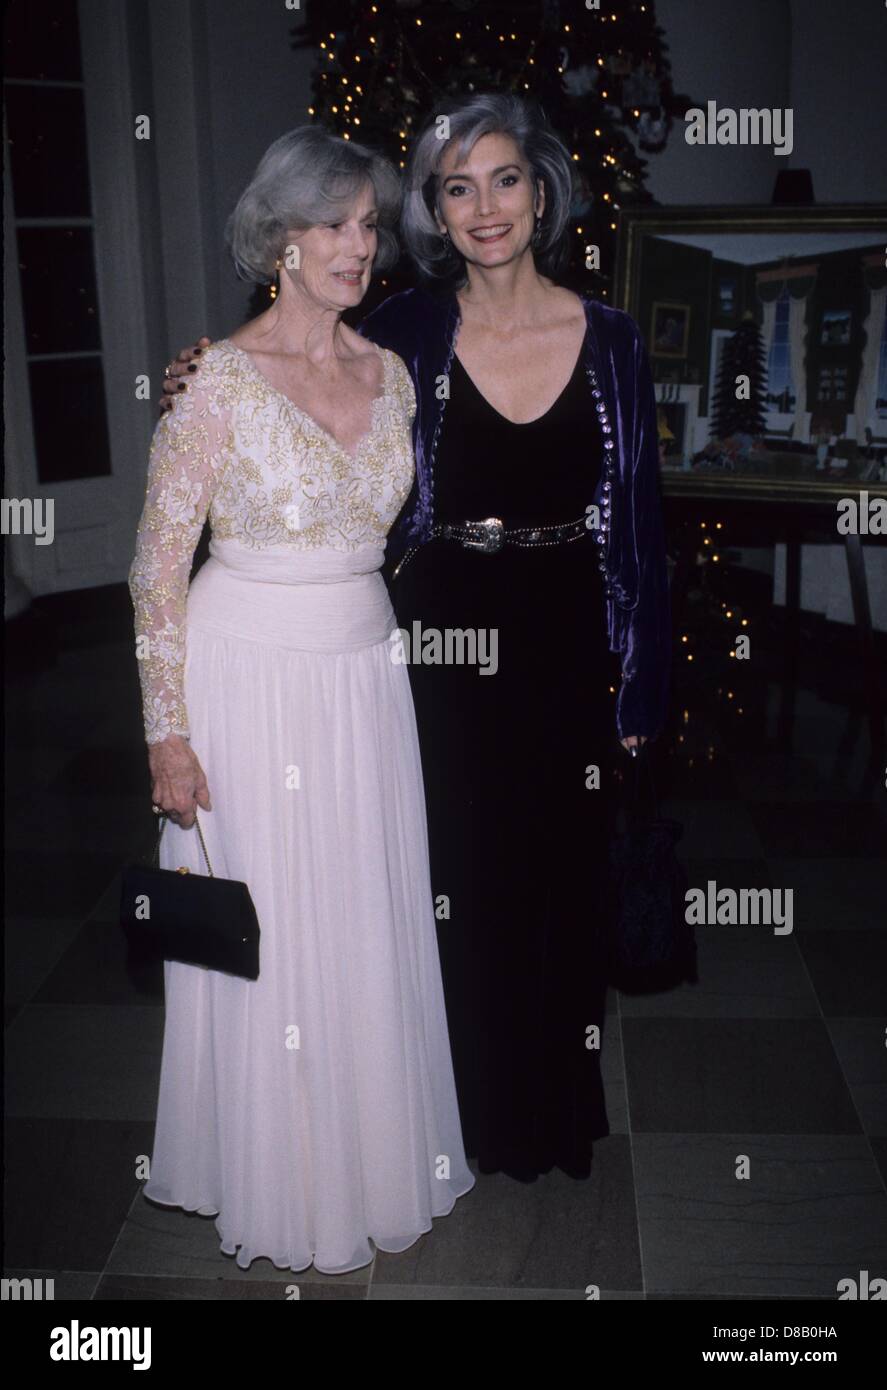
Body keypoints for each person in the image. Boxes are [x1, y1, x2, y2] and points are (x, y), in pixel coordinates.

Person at [162, 94, 672, 1183]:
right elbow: (290, 372)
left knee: (563, 874)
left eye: (504, 179)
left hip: (568, 636)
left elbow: (639, 523)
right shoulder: (406, 328)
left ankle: (552, 1114)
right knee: (451, 879)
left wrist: (639, 687)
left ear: (541, 193)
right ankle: (461, 1117)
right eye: (455, 187)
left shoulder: (611, 338)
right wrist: (194, 378)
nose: (483, 207)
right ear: (434, 213)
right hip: (438, 641)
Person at [130, 125, 474, 1275]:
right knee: (270, 930)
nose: (356, 244)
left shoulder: (391, 371)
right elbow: (155, 568)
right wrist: (167, 733)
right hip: (248, 680)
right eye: (331, 223)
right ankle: (279, 1176)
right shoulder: (216, 382)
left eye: (368, 223)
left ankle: (364, 1160)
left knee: (359, 918)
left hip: (362, 678)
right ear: (278, 237)